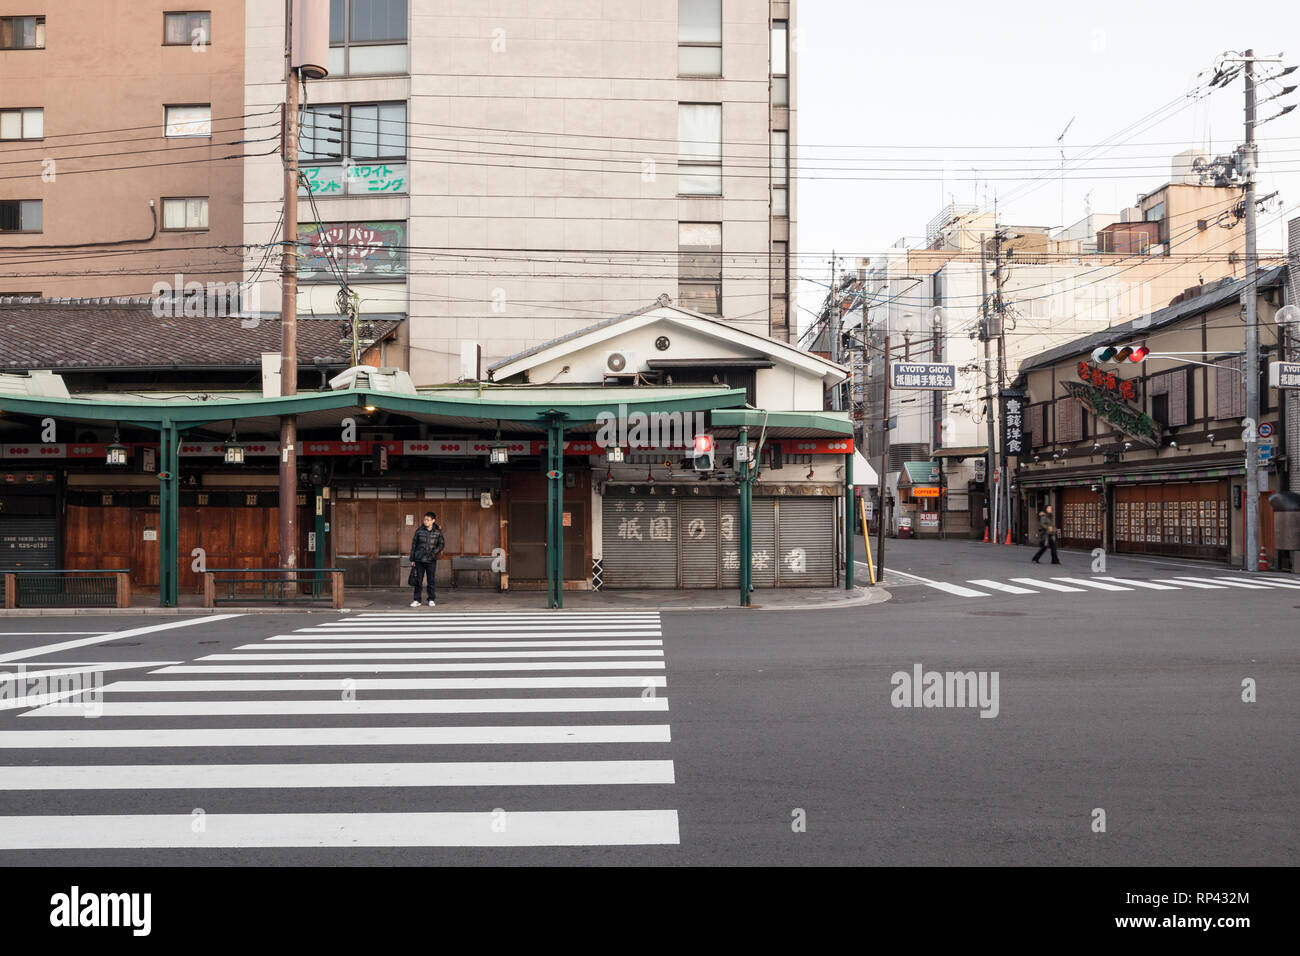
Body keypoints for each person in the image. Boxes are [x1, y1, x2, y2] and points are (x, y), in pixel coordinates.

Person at [409, 512, 445, 607]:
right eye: (425, 519)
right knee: (418, 581)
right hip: (419, 559)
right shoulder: (419, 531)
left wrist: (434, 552)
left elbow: (441, 544)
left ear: (433, 520)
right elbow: (414, 545)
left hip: (431, 560)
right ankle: (417, 600)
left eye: (428, 520)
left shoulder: (437, 532)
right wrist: (412, 559)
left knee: (431, 581)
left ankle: (431, 599)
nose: (425, 521)